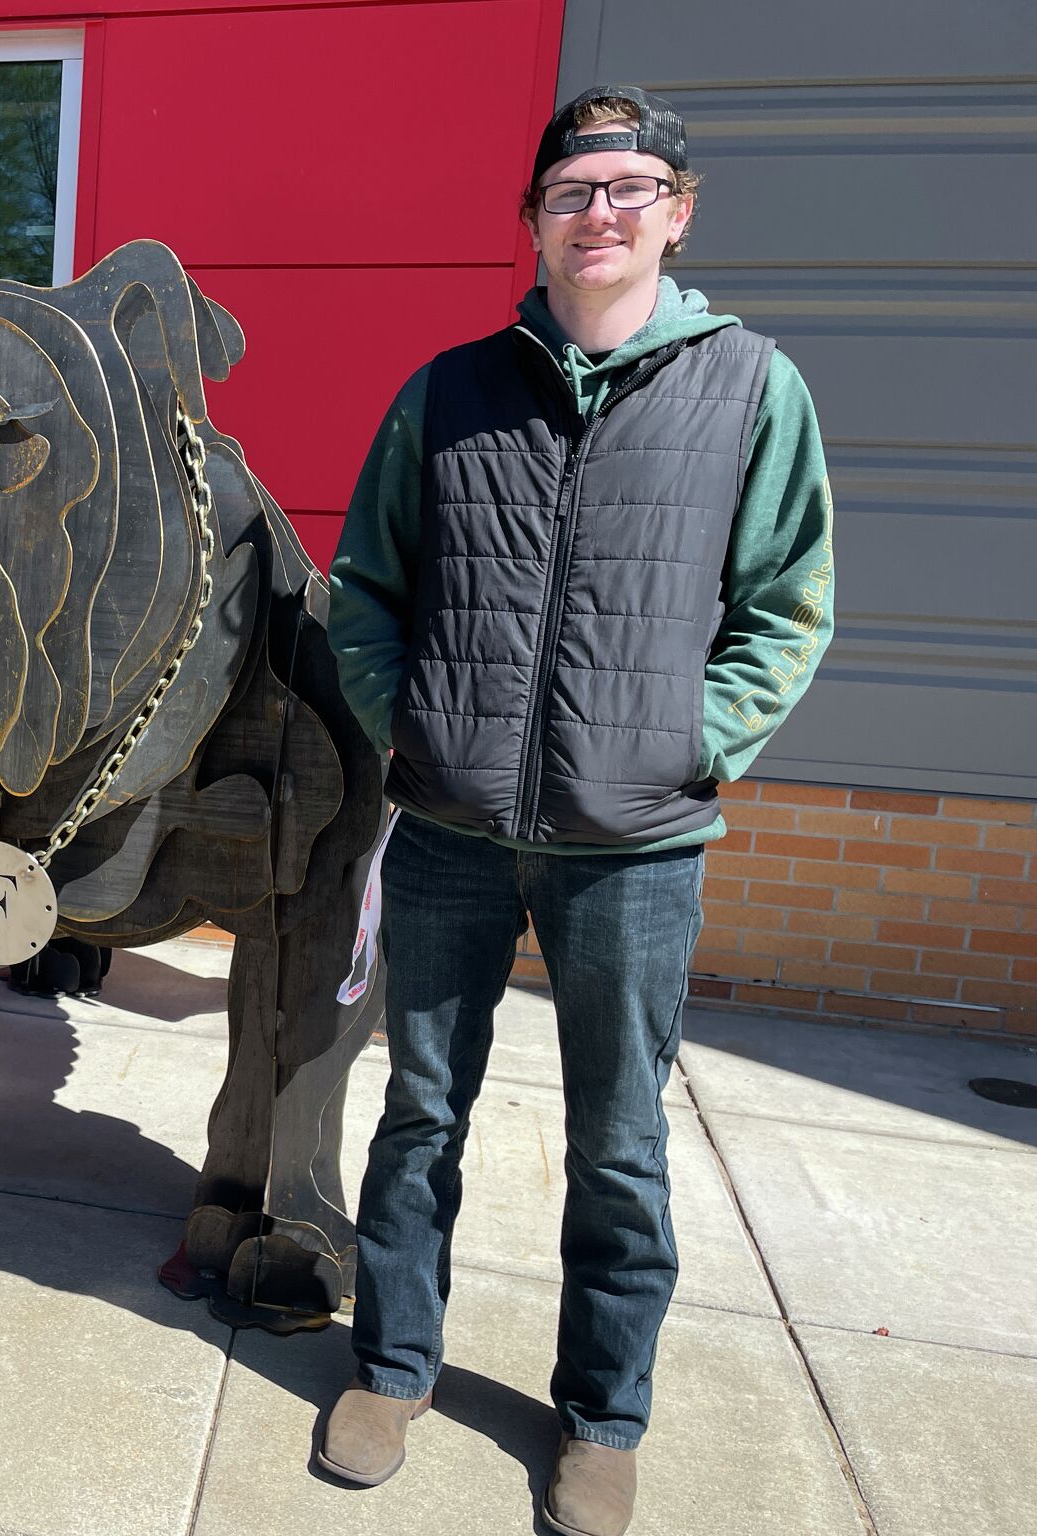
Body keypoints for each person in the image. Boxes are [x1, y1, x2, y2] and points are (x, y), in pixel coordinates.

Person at [319, 85, 834, 1536]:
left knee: (620, 1144)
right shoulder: (448, 392)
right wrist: (409, 729)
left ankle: (602, 1415)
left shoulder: (751, 388)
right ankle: (396, 1367)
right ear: (534, 223)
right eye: (569, 192)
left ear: (677, 210)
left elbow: (788, 607)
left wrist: (690, 743)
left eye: (629, 187)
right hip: (451, 836)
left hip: (639, 848)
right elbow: (363, 591)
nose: (598, 213)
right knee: (420, 1115)